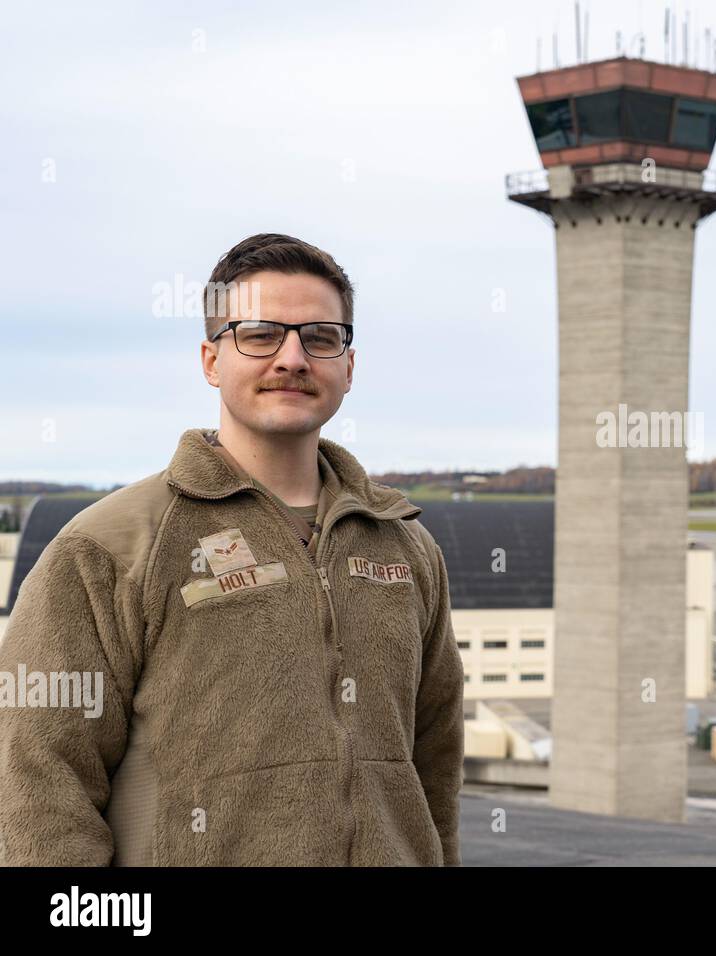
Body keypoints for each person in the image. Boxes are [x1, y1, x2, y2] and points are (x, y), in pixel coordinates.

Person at [0, 233, 463, 865]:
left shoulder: (406, 546)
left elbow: (435, 764)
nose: (293, 358)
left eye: (321, 337)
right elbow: (37, 786)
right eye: (260, 334)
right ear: (211, 360)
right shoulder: (109, 548)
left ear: (348, 367)